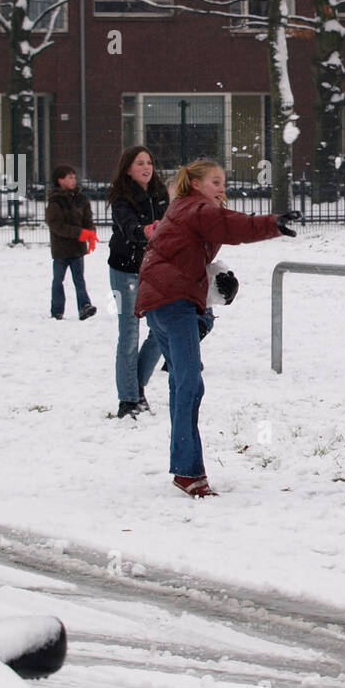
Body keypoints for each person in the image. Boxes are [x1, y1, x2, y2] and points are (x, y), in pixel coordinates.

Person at [135, 158, 300, 498]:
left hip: (163, 299)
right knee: (190, 385)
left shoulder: (186, 207)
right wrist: (273, 223)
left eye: (223, 181)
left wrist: (221, 279)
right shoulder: (196, 208)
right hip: (172, 301)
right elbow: (232, 226)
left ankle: (185, 466)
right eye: (214, 181)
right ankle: (187, 471)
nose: (221, 186)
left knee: (184, 383)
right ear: (195, 184)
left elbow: (192, 254)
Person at [108, 146, 170, 418]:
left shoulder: (159, 194)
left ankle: (138, 386)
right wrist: (143, 230)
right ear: (128, 169)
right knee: (129, 334)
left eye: (149, 162)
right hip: (126, 271)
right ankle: (128, 399)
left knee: (160, 331)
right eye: (139, 163)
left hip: (155, 270)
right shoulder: (122, 198)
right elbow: (128, 226)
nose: (146, 167)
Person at [45, 164, 98, 320]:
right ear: (60, 180)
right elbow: (56, 226)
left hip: (77, 249)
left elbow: (88, 220)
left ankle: (84, 306)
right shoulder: (55, 202)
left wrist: (90, 234)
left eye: (74, 177)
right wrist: (79, 233)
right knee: (58, 280)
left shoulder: (81, 200)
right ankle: (57, 310)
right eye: (70, 177)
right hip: (61, 249)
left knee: (79, 279)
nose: (74, 180)